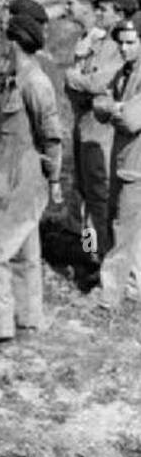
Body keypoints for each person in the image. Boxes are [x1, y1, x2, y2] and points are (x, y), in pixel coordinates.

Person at [0, 0, 63, 343]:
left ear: (13, 40)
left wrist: (54, 181)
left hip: (20, 180)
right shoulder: (9, 78)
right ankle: (28, 319)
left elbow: (51, 136)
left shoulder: (35, 83)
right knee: (24, 253)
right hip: (7, 175)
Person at [63, 0, 122, 261]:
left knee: (99, 191)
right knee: (84, 190)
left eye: (104, 9)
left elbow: (97, 84)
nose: (100, 14)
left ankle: (106, 256)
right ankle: (90, 253)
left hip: (98, 125)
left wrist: (72, 78)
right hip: (82, 121)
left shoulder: (113, 46)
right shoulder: (91, 42)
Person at [91, 18, 141, 310]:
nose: (124, 48)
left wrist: (115, 108)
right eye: (120, 42)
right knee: (129, 227)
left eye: (130, 42)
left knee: (122, 227)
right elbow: (98, 104)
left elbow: (132, 120)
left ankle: (109, 295)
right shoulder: (124, 72)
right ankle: (133, 287)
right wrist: (115, 107)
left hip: (136, 162)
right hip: (124, 158)